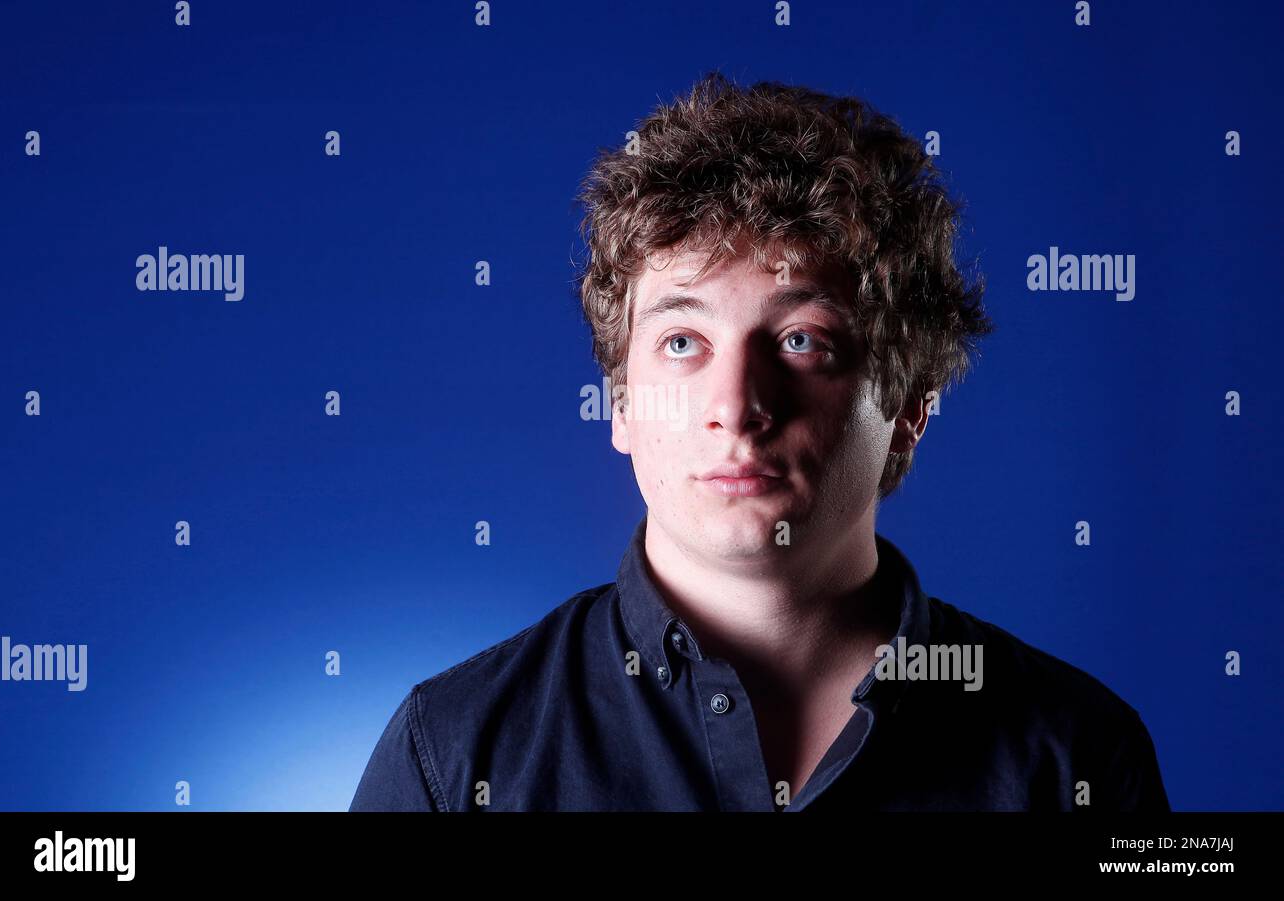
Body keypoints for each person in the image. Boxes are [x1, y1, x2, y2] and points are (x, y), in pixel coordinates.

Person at [349, 71, 1170, 811]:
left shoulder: (1078, 759)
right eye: (682, 343)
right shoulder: (452, 756)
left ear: (913, 403)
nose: (736, 407)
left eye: (802, 341)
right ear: (621, 404)